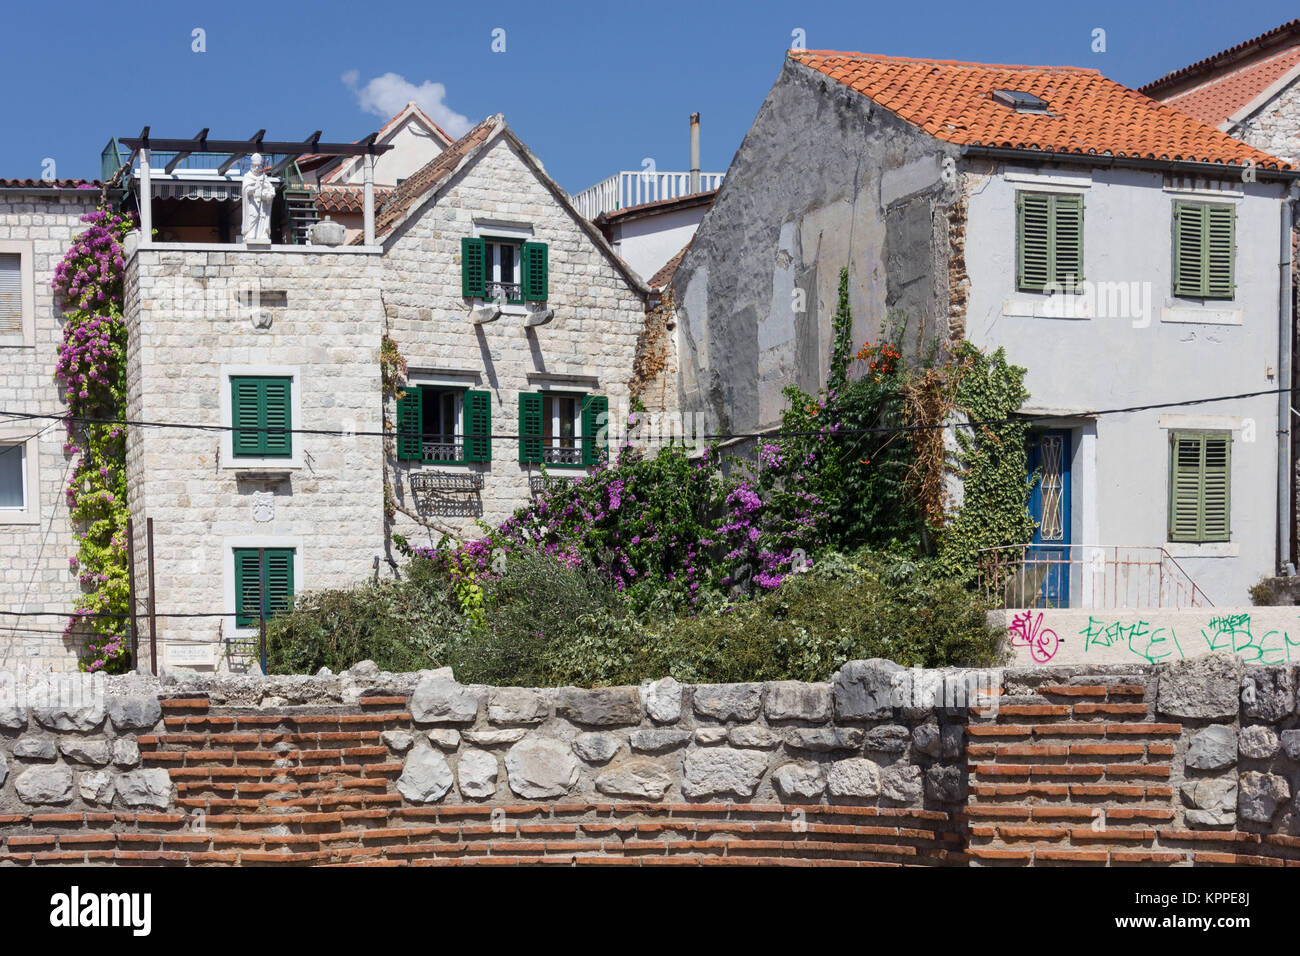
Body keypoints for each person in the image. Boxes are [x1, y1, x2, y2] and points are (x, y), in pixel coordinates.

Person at [240, 153, 276, 245]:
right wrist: (254, 188)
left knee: (262, 217)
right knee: (253, 217)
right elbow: (246, 190)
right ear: (251, 165)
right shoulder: (247, 177)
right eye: (254, 166)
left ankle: (262, 234)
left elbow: (270, 188)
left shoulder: (264, 177)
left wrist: (269, 193)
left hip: (262, 202)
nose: (256, 168)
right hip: (252, 202)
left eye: (258, 166)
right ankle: (250, 234)